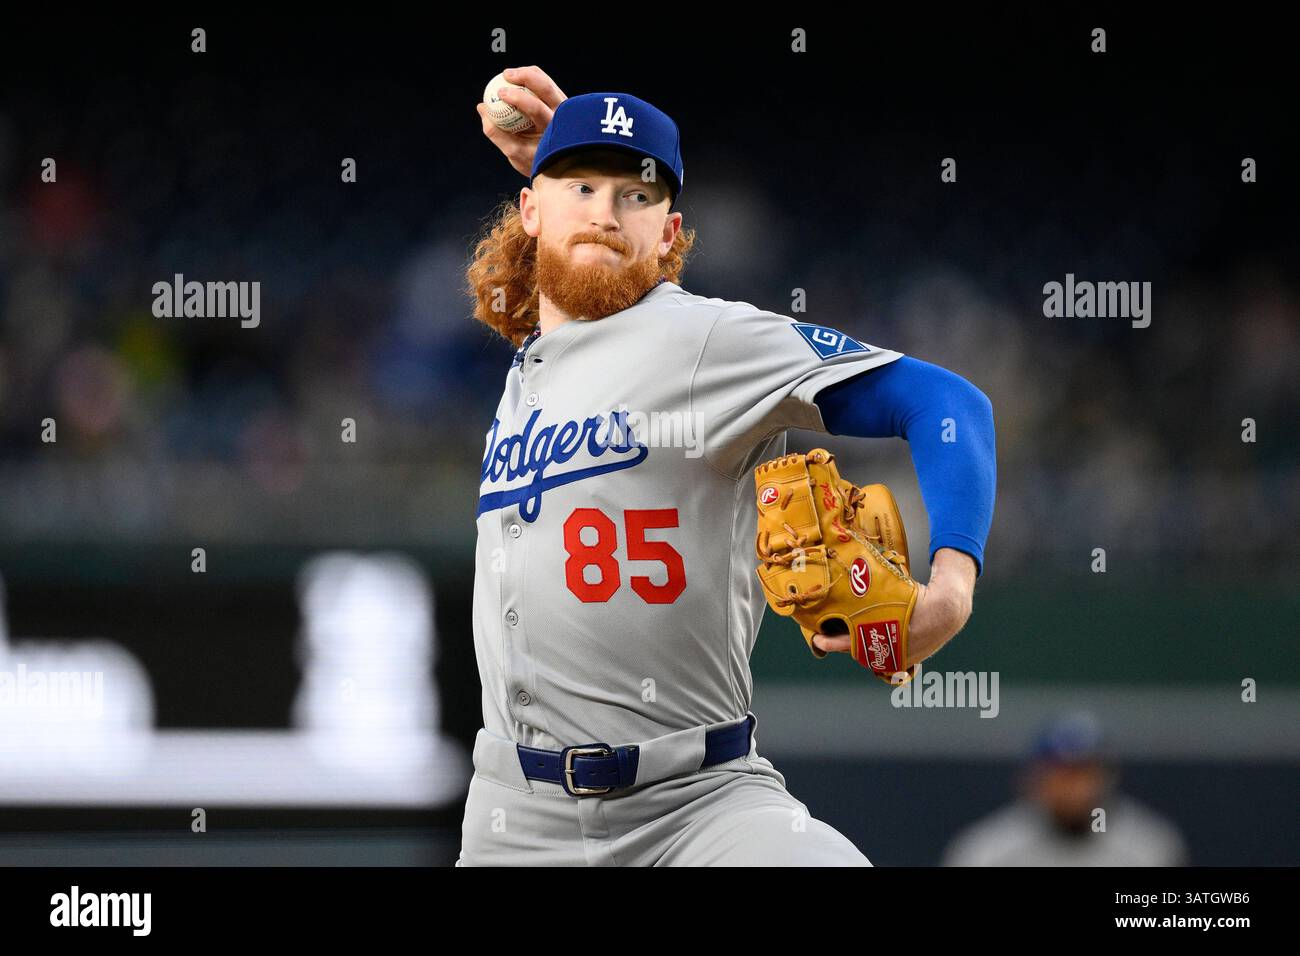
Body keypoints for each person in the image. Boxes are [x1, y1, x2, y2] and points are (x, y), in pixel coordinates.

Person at [457, 67, 997, 865]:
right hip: (512, 817)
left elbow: (950, 407)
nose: (607, 213)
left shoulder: (707, 340)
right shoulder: (534, 363)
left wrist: (950, 588)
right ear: (529, 209)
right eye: (581, 189)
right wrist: (570, 145)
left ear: (670, 234)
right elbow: (568, 289)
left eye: (635, 196)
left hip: (699, 808)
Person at [942, 711, 1189, 866]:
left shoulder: (1146, 848)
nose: (1075, 789)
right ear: (1034, 779)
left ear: (1107, 777)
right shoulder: (989, 852)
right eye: (1062, 775)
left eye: (1084, 774)